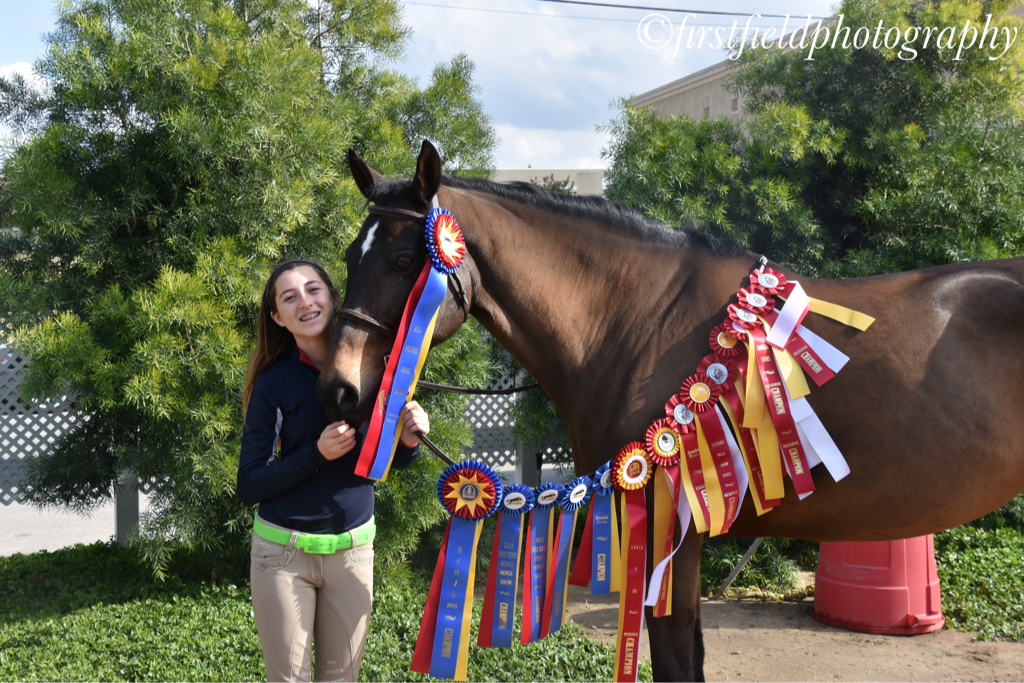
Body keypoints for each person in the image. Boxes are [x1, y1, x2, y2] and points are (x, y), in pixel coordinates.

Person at [238, 259, 429, 683]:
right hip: (282, 556)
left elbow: (387, 460)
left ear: (334, 296)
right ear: (277, 317)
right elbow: (249, 485)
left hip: (352, 554)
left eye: (313, 290)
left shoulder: (376, 370)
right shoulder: (273, 383)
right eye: (289, 297)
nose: (304, 302)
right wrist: (316, 454)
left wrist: (409, 441)